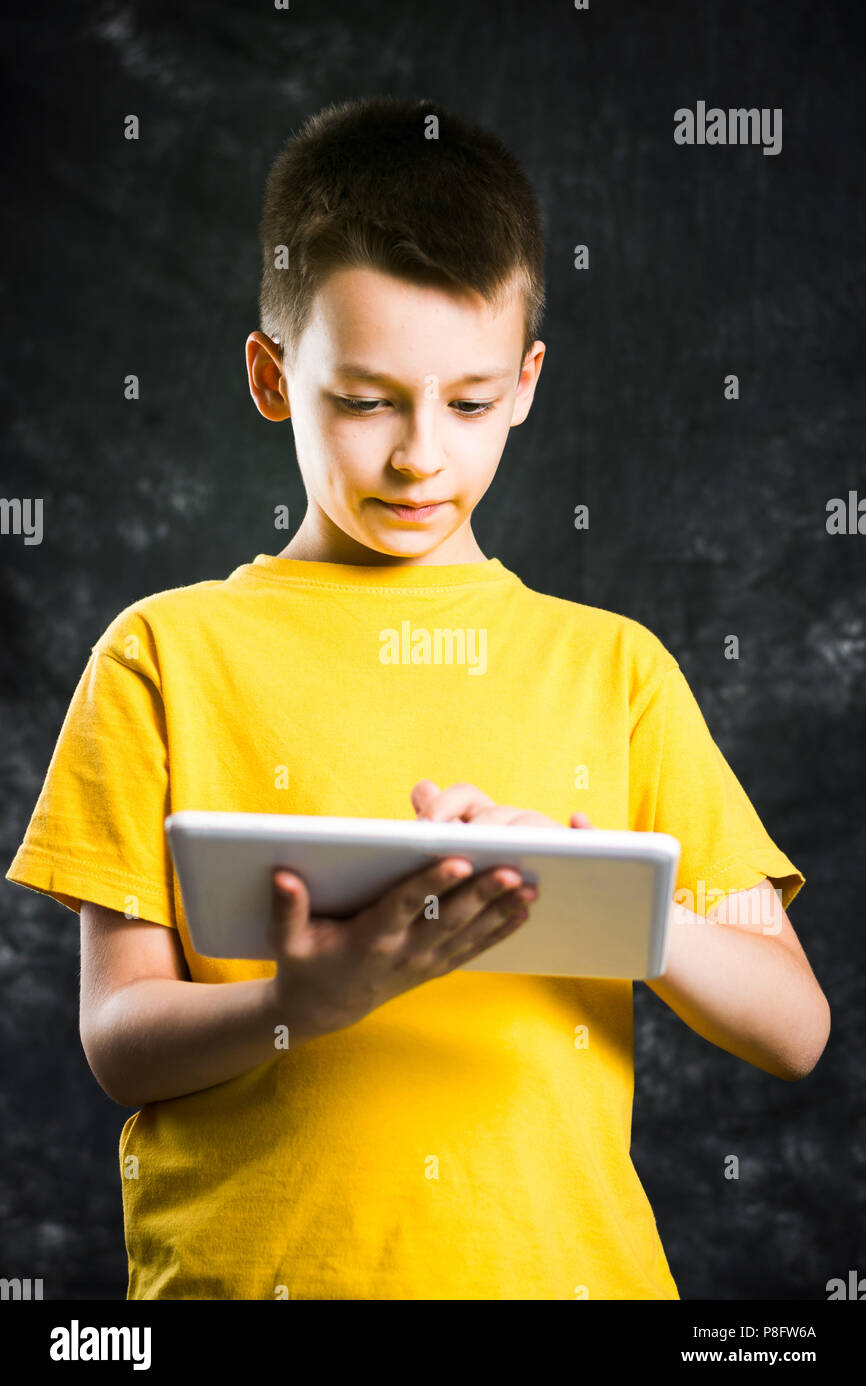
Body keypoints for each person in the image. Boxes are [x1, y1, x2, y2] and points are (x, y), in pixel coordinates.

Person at [5, 95, 829, 1301]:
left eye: (470, 401)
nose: (418, 456)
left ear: (528, 381)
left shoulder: (614, 669)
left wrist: (622, 910)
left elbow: (793, 1025)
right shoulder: (162, 655)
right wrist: (303, 1003)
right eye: (365, 399)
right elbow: (119, 1041)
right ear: (273, 375)